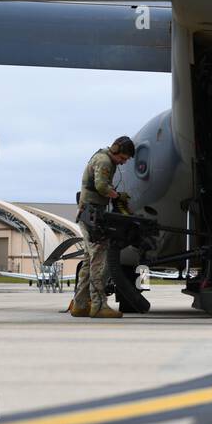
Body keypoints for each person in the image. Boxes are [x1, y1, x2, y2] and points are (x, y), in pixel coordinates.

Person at [70, 136, 135, 318]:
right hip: (92, 216)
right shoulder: (105, 161)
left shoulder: (102, 158)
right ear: (115, 150)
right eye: (123, 158)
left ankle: (80, 304)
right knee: (99, 261)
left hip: (88, 214)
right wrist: (116, 195)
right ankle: (98, 306)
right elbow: (100, 185)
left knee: (88, 261)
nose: (123, 162)